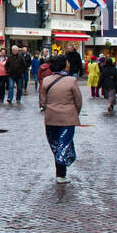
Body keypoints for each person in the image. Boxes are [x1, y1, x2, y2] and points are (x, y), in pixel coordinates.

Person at [39, 53, 82, 183]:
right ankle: (61, 174)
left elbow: (42, 102)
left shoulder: (46, 81)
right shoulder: (71, 81)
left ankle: (60, 172)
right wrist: (74, 113)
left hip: (51, 117)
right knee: (64, 144)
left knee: (56, 145)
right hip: (68, 118)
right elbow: (78, 101)